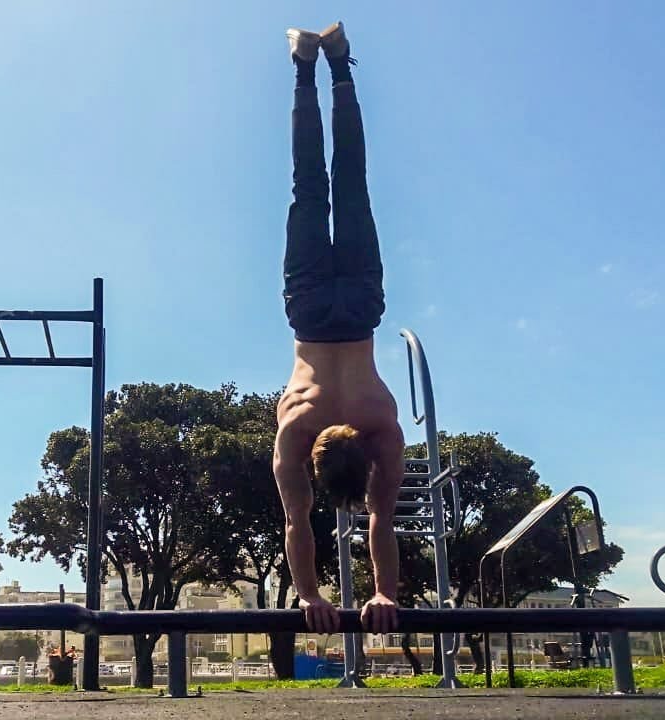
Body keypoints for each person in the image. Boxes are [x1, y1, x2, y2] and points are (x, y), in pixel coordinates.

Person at [275, 21, 403, 637]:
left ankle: (340, 60)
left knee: (351, 188)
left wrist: (383, 593)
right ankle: (304, 63)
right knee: (310, 184)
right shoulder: (297, 426)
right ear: (320, 462)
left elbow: (382, 517)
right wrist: (309, 594)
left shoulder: (381, 422)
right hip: (307, 310)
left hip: (359, 307)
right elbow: (298, 524)